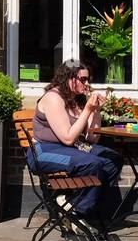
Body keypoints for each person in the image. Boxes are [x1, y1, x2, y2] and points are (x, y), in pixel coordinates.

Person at [28, 59, 123, 231]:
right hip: (44, 151)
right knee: (93, 163)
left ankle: (81, 208)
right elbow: (67, 138)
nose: (87, 84)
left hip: (70, 148)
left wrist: (95, 110)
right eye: (83, 79)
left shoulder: (76, 99)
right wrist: (87, 109)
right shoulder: (53, 98)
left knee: (112, 159)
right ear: (69, 78)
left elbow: (92, 138)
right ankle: (75, 210)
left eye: (88, 79)